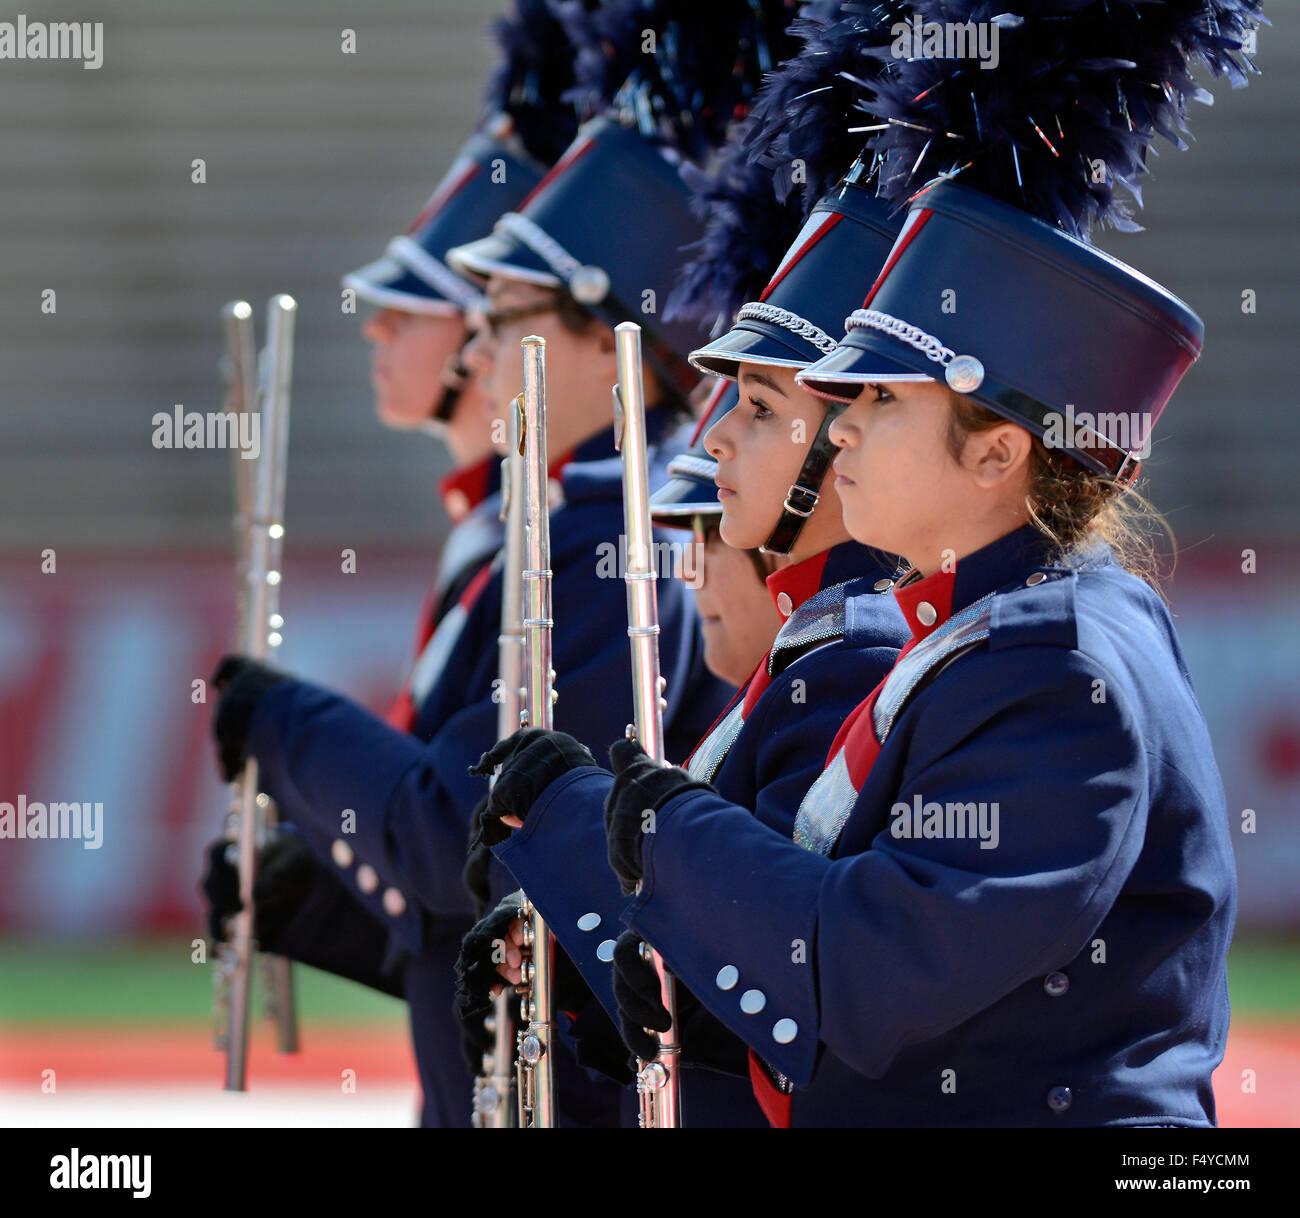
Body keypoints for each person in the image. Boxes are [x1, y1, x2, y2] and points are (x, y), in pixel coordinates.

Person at [587, 1, 1260, 1126]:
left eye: (879, 402)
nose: (836, 428)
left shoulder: (1060, 670)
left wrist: (643, 824)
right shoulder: (980, 632)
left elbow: (867, 973)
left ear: (999, 449)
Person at [455, 168, 918, 1126]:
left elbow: (790, 975)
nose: (716, 449)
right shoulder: (816, 645)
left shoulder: (856, 654)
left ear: (849, 441)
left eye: (758, 409)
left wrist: (569, 812)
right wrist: (573, 967)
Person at [200, 0, 592, 1128]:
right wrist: (328, 895)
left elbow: (467, 842)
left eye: (413, 309)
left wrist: (281, 728)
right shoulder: (500, 526)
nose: (382, 334)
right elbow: (468, 904)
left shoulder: (584, 542)